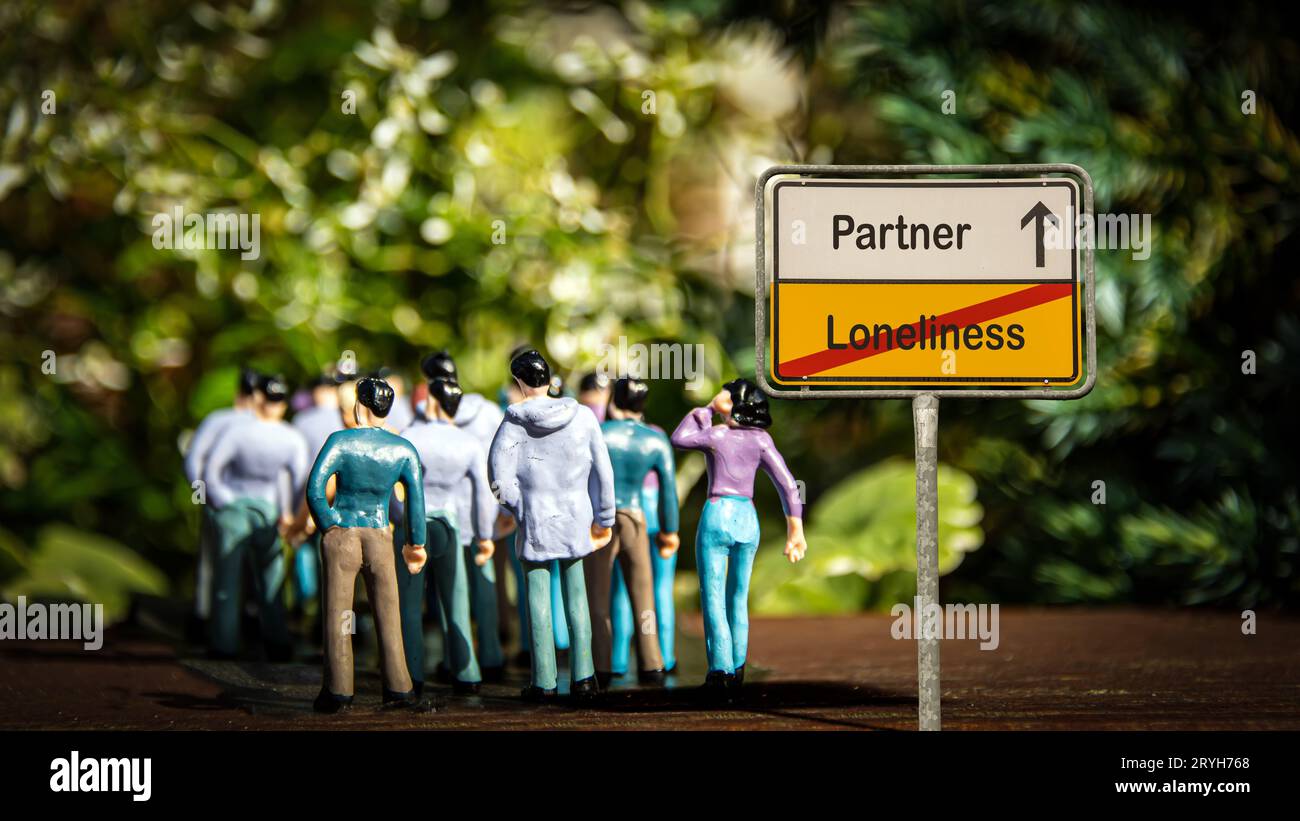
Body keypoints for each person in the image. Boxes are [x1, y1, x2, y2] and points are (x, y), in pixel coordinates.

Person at [489, 349, 614, 702]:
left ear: (519, 382)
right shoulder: (585, 418)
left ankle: (544, 680)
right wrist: (604, 516)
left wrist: (518, 505)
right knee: (578, 597)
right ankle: (584, 676)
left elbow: (497, 477)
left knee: (538, 599)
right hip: (575, 515)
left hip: (536, 517)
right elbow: (603, 472)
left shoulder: (513, 422)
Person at [670, 378, 808, 699]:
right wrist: (795, 528)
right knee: (738, 597)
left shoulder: (716, 435)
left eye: (725, 395)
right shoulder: (761, 440)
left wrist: (705, 409)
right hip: (747, 517)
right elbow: (788, 484)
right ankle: (739, 666)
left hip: (718, 513)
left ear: (733, 404)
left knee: (714, 597)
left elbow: (680, 438)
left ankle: (720, 669)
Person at [305, 376, 426, 713]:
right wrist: (416, 542)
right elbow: (416, 501)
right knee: (389, 612)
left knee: (340, 613)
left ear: (359, 405)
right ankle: (399, 685)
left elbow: (315, 487)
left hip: (343, 531)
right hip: (379, 533)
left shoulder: (340, 441)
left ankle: (340, 689)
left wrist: (328, 525)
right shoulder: (403, 449)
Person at [397, 377, 496, 695]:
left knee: (410, 606)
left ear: (434, 402)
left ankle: (412, 673)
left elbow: (392, 488)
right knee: (456, 601)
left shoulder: (410, 437)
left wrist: (400, 519)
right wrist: (484, 535)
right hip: (451, 524)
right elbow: (483, 493)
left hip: (416, 527)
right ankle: (467, 672)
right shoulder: (467, 444)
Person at [201, 374, 308, 660]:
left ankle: (225, 643)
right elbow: (299, 484)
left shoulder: (237, 432)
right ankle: (276, 640)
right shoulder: (291, 438)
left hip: (238, 508)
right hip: (268, 510)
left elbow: (211, 471)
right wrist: (293, 515)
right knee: (271, 581)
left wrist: (224, 502)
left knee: (228, 581)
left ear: (257, 399)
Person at [584, 378, 679, 687]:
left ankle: (601, 663)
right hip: (637, 517)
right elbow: (668, 490)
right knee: (643, 593)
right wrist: (670, 531)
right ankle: (652, 662)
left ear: (613, 401)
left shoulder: (598, 433)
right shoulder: (653, 440)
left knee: (598, 596)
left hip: (601, 519)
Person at [420, 351, 506, 676]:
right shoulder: (489, 412)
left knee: (449, 587)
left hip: (445, 512)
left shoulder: (423, 419)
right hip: (483, 507)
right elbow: (503, 460)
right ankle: (492, 653)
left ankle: (456, 658)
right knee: (484, 582)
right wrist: (502, 502)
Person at [182, 367, 258, 637]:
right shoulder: (224, 420)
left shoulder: (219, 420)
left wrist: (205, 496)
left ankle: (209, 616)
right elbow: (194, 460)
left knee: (215, 561)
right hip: (239, 502)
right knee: (233, 561)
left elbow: (194, 460)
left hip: (226, 500)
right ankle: (227, 617)